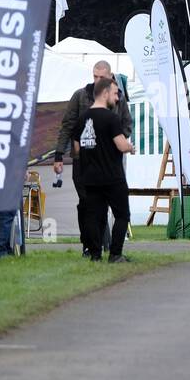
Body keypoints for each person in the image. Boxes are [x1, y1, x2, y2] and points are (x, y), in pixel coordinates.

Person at [54, 60, 134, 258]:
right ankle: (90, 246)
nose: (97, 80)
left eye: (101, 77)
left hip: (109, 158)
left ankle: (102, 247)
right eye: (94, 76)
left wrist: (112, 140)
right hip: (85, 161)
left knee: (105, 206)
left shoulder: (118, 99)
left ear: (110, 76)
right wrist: (59, 155)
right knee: (87, 205)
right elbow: (68, 126)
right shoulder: (81, 96)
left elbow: (126, 126)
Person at [74, 76, 135, 263]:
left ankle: (95, 255)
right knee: (122, 215)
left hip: (90, 177)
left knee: (94, 216)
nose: (117, 98)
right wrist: (130, 147)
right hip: (112, 176)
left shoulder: (82, 118)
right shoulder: (111, 118)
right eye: (116, 93)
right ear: (105, 92)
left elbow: (76, 148)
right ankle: (115, 254)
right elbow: (121, 146)